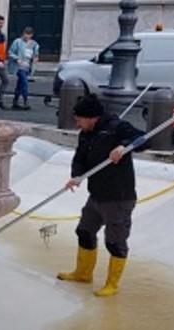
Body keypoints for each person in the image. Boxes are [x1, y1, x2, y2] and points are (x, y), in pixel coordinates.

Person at [57, 94, 149, 297]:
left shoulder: (117, 128)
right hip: (96, 194)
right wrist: (77, 175)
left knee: (115, 241)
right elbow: (80, 158)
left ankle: (112, 284)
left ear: (92, 117)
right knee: (84, 231)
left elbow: (143, 139)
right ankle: (83, 273)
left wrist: (124, 146)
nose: (76, 122)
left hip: (118, 197)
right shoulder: (86, 133)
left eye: (79, 118)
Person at [7, 27, 40, 110]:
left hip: (27, 67)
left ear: (31, 35)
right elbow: (10, 52)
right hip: (19, 67)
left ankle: (15, 100)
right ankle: (26, 101)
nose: (27, 36)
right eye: (26, 34)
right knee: (24, 82)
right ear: (23, 33)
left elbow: (36, 54)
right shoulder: (17, 42)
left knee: (20, 84)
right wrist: (17, 58)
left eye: (29, 34)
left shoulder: (34, 44)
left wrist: (36, 58)